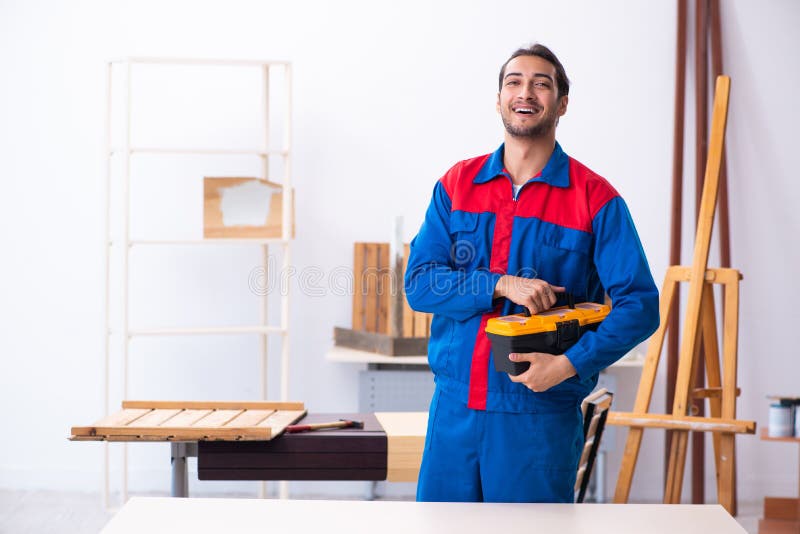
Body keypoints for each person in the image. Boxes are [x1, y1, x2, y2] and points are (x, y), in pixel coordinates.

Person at [404, 43, 660, 503]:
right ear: (499, 98)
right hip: (454, 413)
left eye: (542, 83)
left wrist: (567, 365)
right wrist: (499, 283)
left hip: (538, 415)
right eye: (514, 82)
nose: (526, 92)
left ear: (561, 104)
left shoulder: (594, 199)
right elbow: (420, 283)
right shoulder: (456, 185)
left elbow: (640, 307)